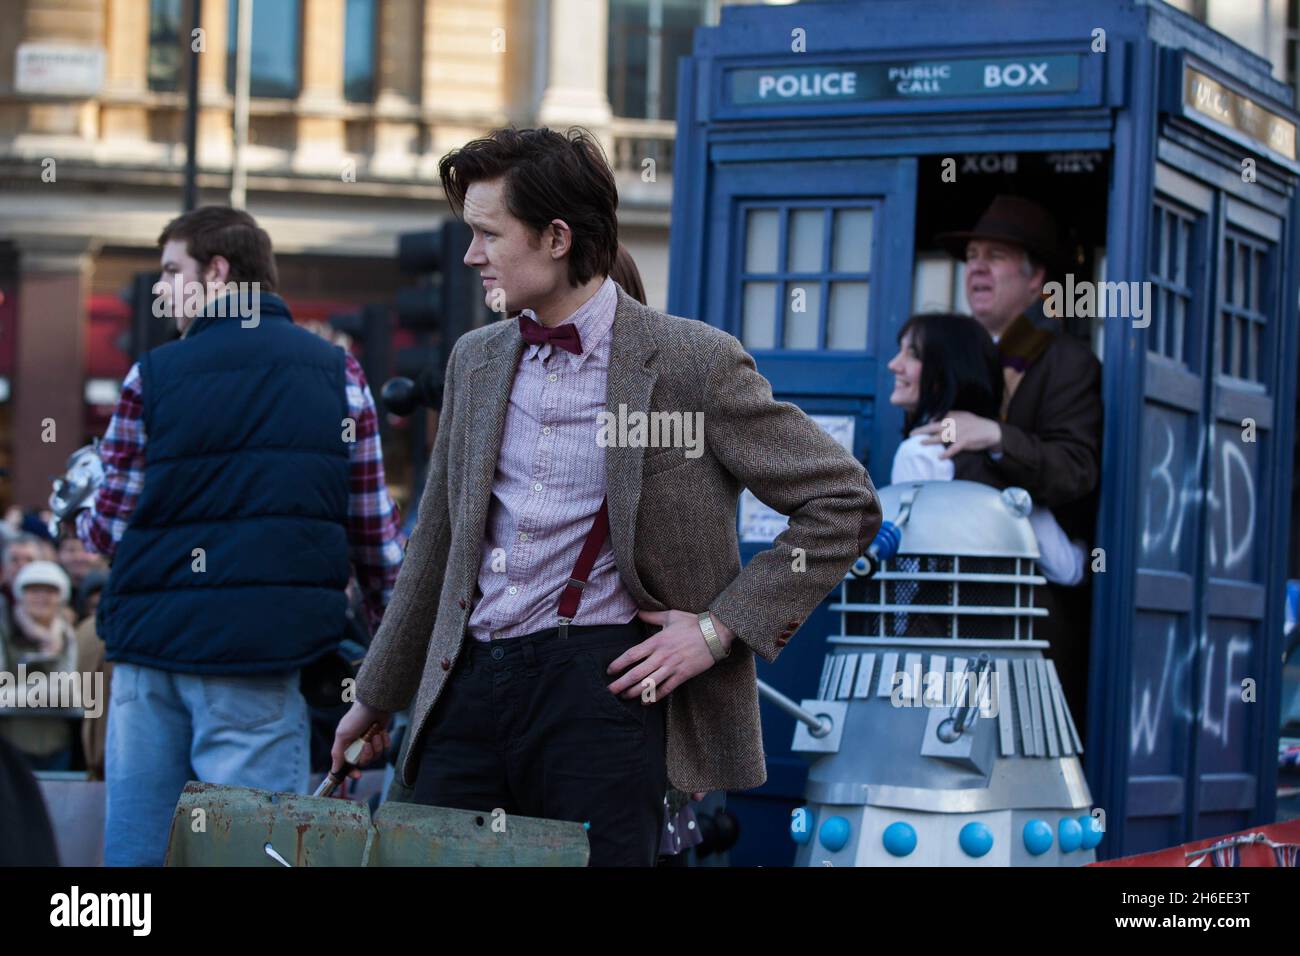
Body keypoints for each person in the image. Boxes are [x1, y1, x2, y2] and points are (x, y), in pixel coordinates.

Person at [332, 127, 880, 867]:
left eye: (488, 234)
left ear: (557, 237)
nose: (471, 255)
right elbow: (436, 545)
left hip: (604, 695)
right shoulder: (475, 359)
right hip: (465, 685)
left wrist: (718, 631)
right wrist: (375, 695)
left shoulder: (693, 362)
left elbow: (842, 501)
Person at [70, 205, 405, 866]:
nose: (162, 289)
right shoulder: (339, 375)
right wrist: (384, 671)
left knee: (136, 854)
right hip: (259, 658)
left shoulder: (152, 375)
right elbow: (376, 542)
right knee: (251, 853)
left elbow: (107, 532)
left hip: (146, 655)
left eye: (172, 270)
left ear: (218, 271)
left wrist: (79, 511)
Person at [921, 195, 1103, 732]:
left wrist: (996, 434)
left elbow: (1076, 470)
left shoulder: (1067, 362)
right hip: (946, 601)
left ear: (1036, 280)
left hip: (1024, 612)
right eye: (972, 255)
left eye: (996, 256)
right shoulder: (949, 353)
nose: (976, 266)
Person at [886, 313, 1084, 586]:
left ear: (946, 372)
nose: (894, 364)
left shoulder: (920, 452)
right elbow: (1067, 569)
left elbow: (907, 577)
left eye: (913, 355)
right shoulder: (1002, 460)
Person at [0, 560, 78, 771]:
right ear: (21, 594)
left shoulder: (68, 634)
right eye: (34, 590)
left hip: (57, 745)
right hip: (10, 744)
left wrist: (20, 692)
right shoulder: (4, 630)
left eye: (50, 591)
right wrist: (52, 692)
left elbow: (73, 692)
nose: (42, 597)